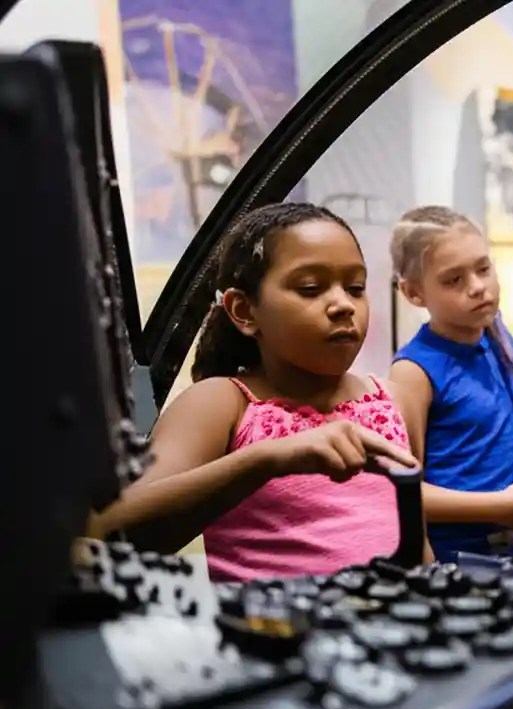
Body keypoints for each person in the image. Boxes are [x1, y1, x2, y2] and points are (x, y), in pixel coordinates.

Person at [87, 202, 423, 583]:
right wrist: (267, 459)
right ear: (244, 311)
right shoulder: (220, 403)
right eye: (310, 288)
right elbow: (110, 528)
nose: (344, 305)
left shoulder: (395, 402)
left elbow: (416, 538)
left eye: (355, 288)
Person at [390, 206, 513, 567]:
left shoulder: (499, 335)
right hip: (459, 562)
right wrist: (501, 508)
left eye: (483, 268)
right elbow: (403, 494)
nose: (477, 287)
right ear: (413, 293)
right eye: (453, 280)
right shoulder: (413, 372)